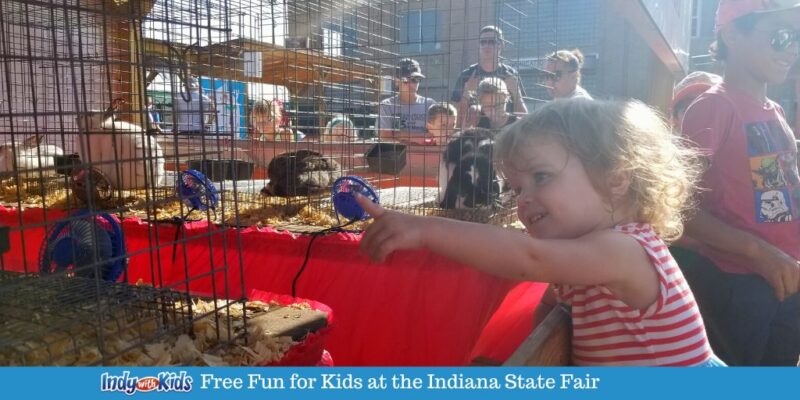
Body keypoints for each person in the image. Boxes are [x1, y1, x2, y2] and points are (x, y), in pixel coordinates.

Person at [357, 99, 722, 366]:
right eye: (516, 189)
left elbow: (528, 258)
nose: (525, 199)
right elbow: (549, 306)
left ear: (615, 179)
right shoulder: (582, 259)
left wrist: (423, 229)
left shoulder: (625, 250)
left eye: (541, 177)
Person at [676, 0, 800, 366]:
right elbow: (679, 206)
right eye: (780, 36)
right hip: (738, 284)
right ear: (731, 33)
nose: (791, 49)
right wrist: (758, 252)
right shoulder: (714, 107)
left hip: (786, 277)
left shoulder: (775, 112)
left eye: (796, 38)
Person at [451, 25, 527, 127]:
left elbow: (525, 122)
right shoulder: (467, 75)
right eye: (483, 42)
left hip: (506, 135)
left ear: (501, 45)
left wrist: (515, 93)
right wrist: (466, 94)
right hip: (476, 136)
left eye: (492, 41)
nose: (486, 45)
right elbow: (454, 122)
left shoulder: (511, 74)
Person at [377, 58, 436, 144]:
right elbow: (386, 137)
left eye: (415, 80)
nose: (411, 84)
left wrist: (399, 134)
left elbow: (436, 135)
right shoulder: (387, 105)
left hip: (424, 154)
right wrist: (422, 137)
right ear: (397, 81)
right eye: (405, 80)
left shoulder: (430, 104)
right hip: (398, 155)